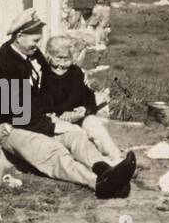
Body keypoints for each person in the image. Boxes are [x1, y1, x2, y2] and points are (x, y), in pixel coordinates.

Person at [0, 9, 136, 198]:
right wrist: (55, 125)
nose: (37, 45)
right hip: (12, 127)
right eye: (34, 41)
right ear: (19, 36)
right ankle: (98, 183)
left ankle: (106, 170)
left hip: (35, 120)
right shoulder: (5, 66)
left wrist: (66, 113)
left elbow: (50, 89)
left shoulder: (31, 54)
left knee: (77, 138)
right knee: (54, 150)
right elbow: (19, 115)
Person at [39, 34, 125, 165]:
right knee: (80, 135)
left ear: (72, 58)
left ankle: (117, 158)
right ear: (49, 56)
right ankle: (103, 165)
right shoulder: (43, 76)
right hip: (54, 123)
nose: (62, 64)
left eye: (66, 58)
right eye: (58, 58)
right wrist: (62, 115)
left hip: (77, 119)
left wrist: (84, 109)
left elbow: (89, 98)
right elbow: (40, 106)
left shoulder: (76, 73)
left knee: (94, 123)